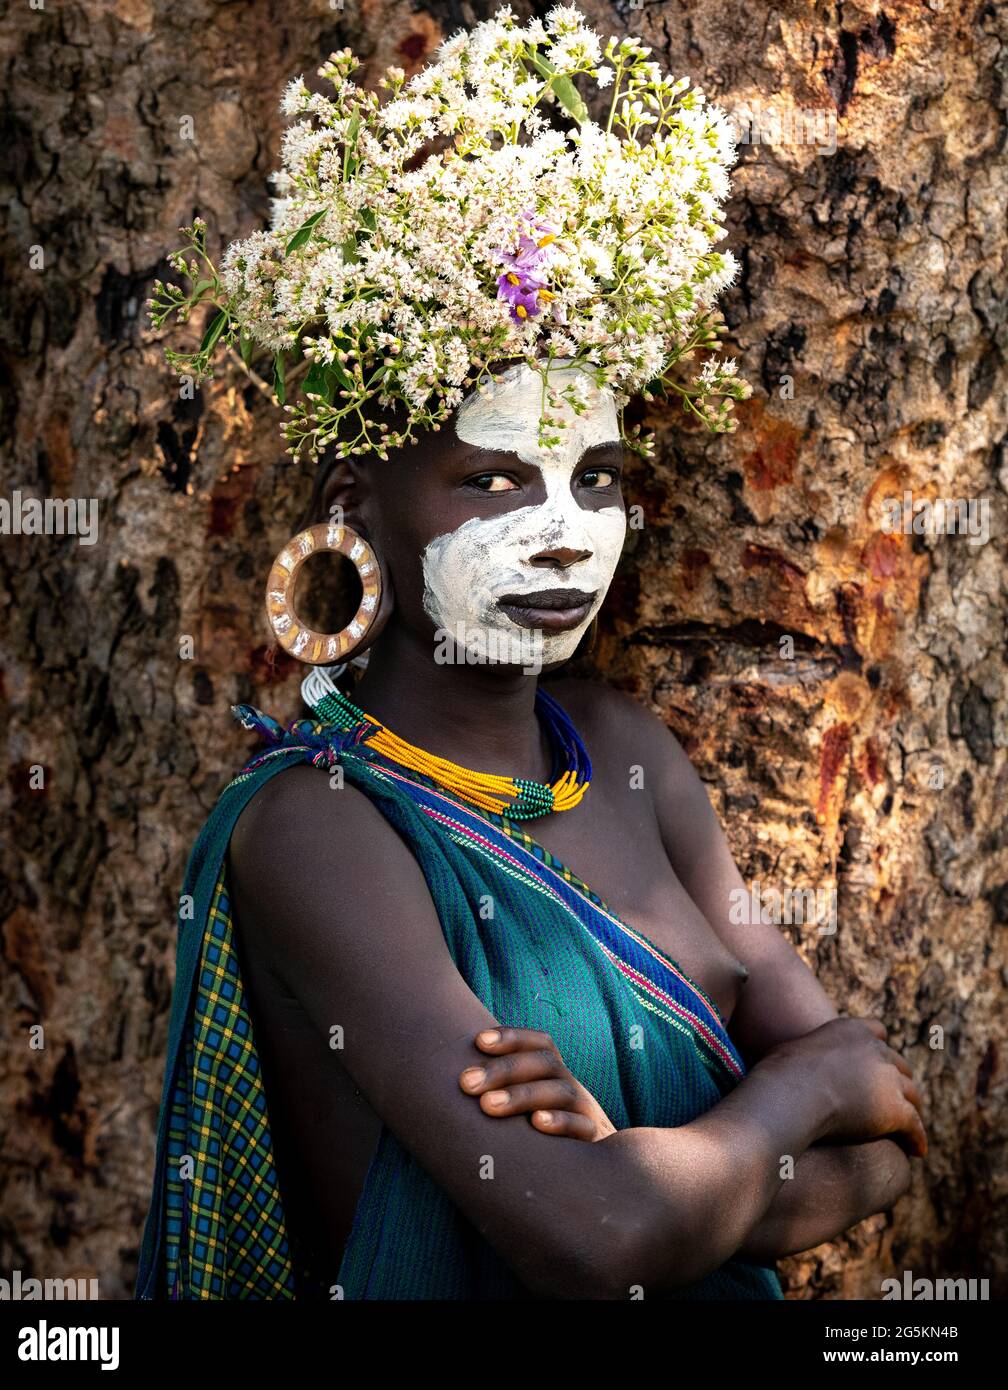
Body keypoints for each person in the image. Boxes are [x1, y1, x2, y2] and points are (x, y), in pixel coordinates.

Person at [135, 7, 925, 1301]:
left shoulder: (624, 756)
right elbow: (595, 1237)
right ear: (358, 501)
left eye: (593, 475)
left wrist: (675, 1167)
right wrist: (796, 1091)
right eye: (493, 478)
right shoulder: (317, 829)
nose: (562, 531)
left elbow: (888, 1145)